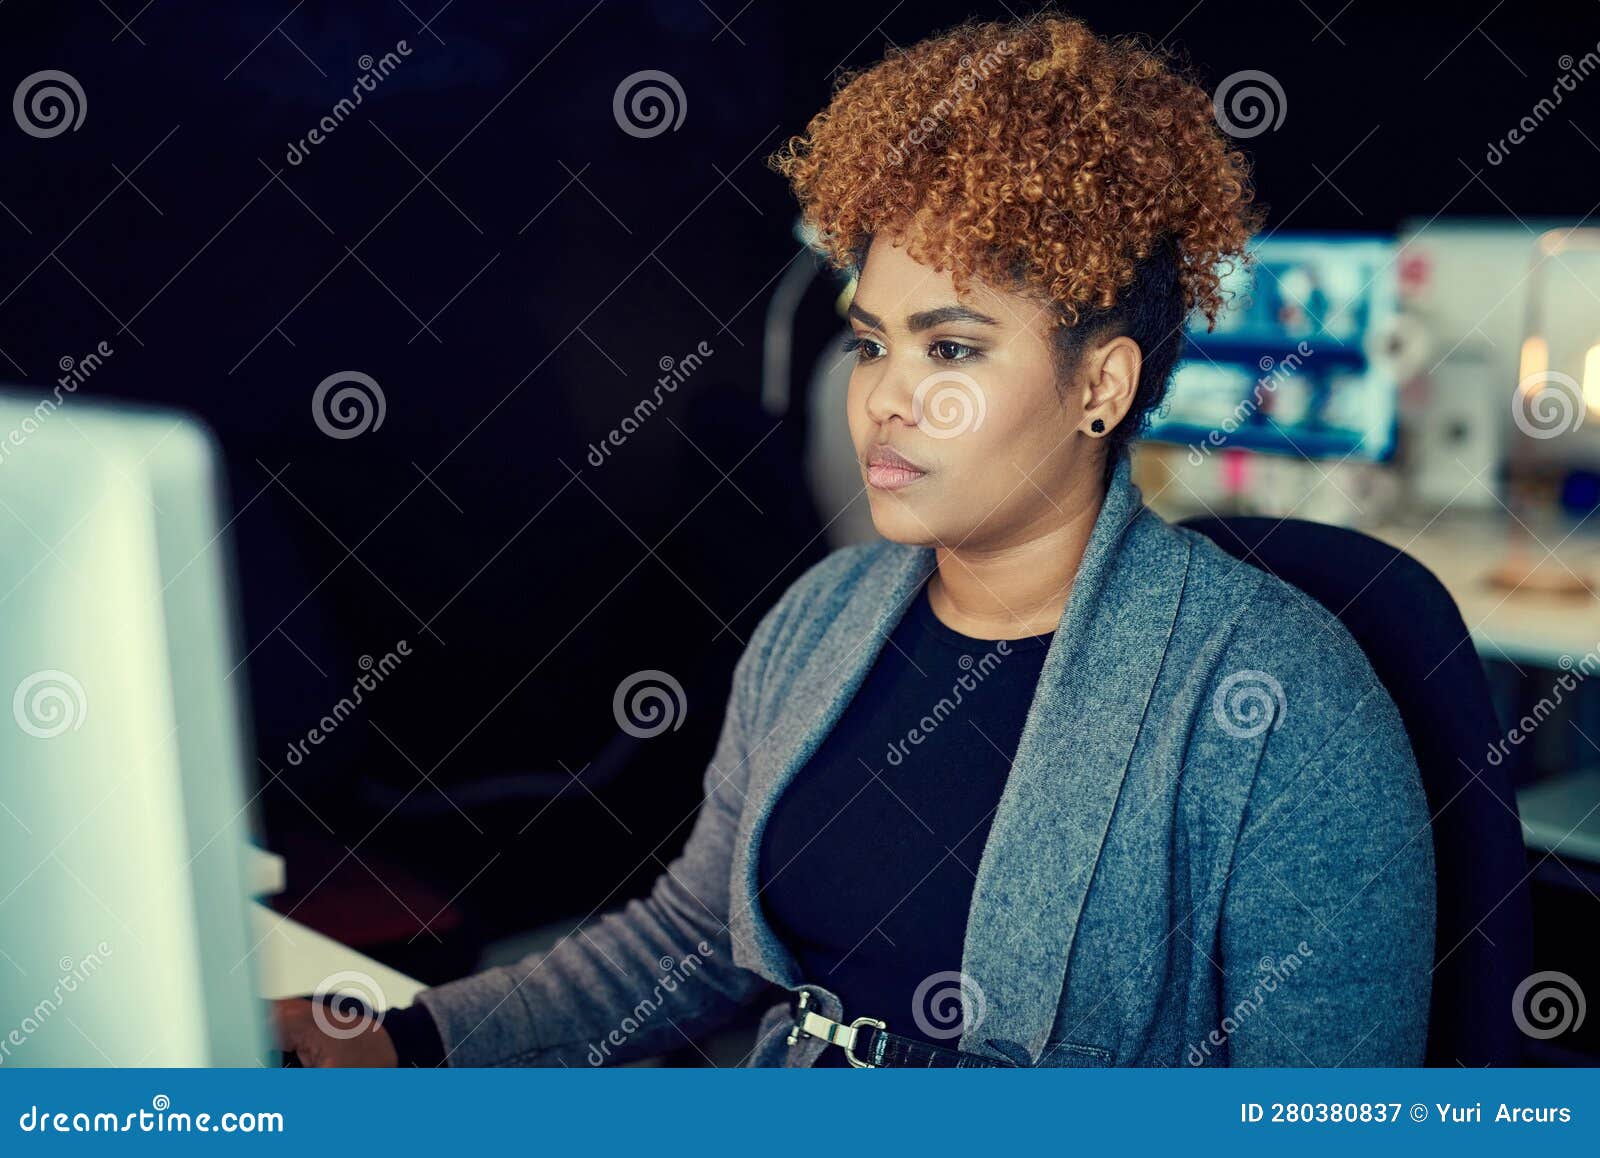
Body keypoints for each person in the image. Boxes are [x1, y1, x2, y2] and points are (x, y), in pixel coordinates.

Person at [275, 12, 1435, 1068]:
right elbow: (692, 941)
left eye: (952, 348)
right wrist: (406, 1043)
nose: (882, 396)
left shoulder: (1281, 703)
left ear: (1102, 383)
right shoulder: (821, 619)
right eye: (873, 342)